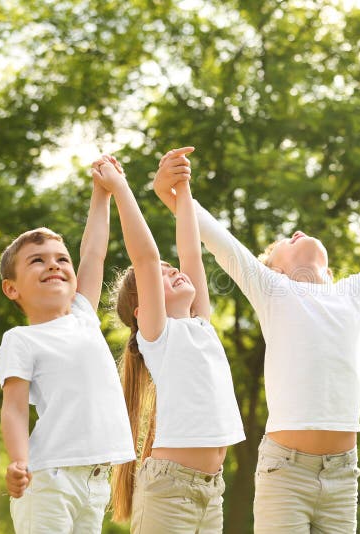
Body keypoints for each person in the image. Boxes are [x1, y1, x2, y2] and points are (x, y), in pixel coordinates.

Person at [152, 142, 360, 533]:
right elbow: (212, 236)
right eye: (285, 243)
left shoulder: (355, 294)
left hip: (342, 476)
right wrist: (170, 192)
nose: (297, 232)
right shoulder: (273, 289)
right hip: (284, 474)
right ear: (275, 271)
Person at [101, 149, 245, 532]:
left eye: (172, 269)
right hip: (170, 490)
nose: (173, 271)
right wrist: (121, 187)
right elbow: (146, 258)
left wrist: (182, 187)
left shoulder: (201, 324)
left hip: (212, 491)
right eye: (163, 276)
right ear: (142, 310)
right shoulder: (158, 336)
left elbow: (190, 250)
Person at [0, 159, 135, 533]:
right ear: (12, 288)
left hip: (95, 480)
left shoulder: (83, 314)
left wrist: (101, 194)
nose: (53, 265)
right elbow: (14, 407)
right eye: (37, 261)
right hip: (49, 478)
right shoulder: (21, 340)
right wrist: (18, 460)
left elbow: (93, 252)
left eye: (61, 259)